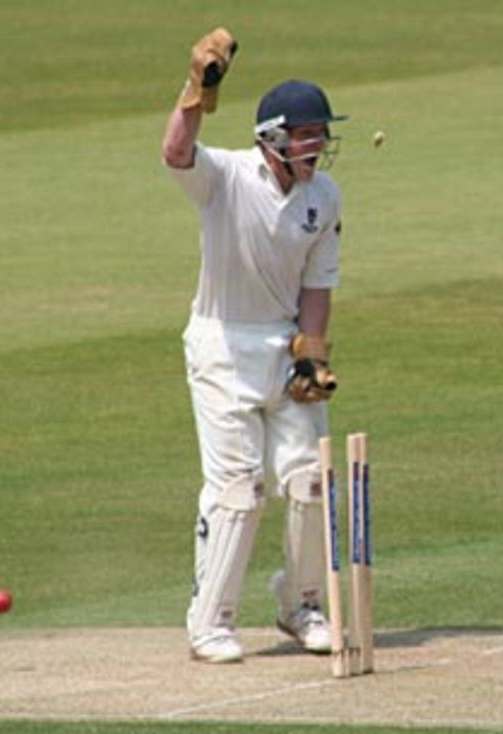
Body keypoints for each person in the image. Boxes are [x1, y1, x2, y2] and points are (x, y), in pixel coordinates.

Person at [161, 27, 349, 663]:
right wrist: (195, 92)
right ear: (273, 137)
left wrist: (313, 353)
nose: (317, 144)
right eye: (306, 134)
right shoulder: (227, 177)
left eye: (321, 133)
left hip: (281, 346)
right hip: (219, 344)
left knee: (309, 482)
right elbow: (176, 152)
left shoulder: (323, 198)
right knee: (239, 488)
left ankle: (300, 607)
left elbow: (317, 281)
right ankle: (209, 620)